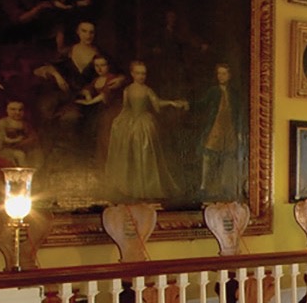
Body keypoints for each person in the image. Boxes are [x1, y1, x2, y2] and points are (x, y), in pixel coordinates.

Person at [104, 61, 188, 201]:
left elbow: (157, 104)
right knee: (130, 154)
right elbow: (126, 108)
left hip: (144, 125)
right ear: (132, 74)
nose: (141, 76)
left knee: (144, 153)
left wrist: (171, 102)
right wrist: (118, 121)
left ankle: (146, 186)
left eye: (143, 73)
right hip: (130, 124)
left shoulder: (147, 90)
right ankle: (131, 187)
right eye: (138, 73)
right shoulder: (128, 90)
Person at [194, 63, 247, 199]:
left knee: (227, 157)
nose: (221, 76)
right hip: (216, 126)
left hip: (229, 127)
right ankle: (204, 185)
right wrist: (187, 105)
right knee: (208, 155)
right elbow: (202, 103)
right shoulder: (213, 91)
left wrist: (240, 132)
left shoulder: (234, 93)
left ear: (229, 76)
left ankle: (223, 186)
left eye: (224, 73)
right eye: (219, 73)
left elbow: (239, 112)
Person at [0, 100, 38, 166]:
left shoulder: (25, 124)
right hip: (3, 149)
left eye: (20, 110)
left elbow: (32, 138)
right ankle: (24, 173)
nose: (17, 112)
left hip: (21, 148)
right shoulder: (2, 123)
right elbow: (0, 141)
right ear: (7, 110)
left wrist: (26, 141)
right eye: (13, 109)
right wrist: (16, 140)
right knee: (20, 155)